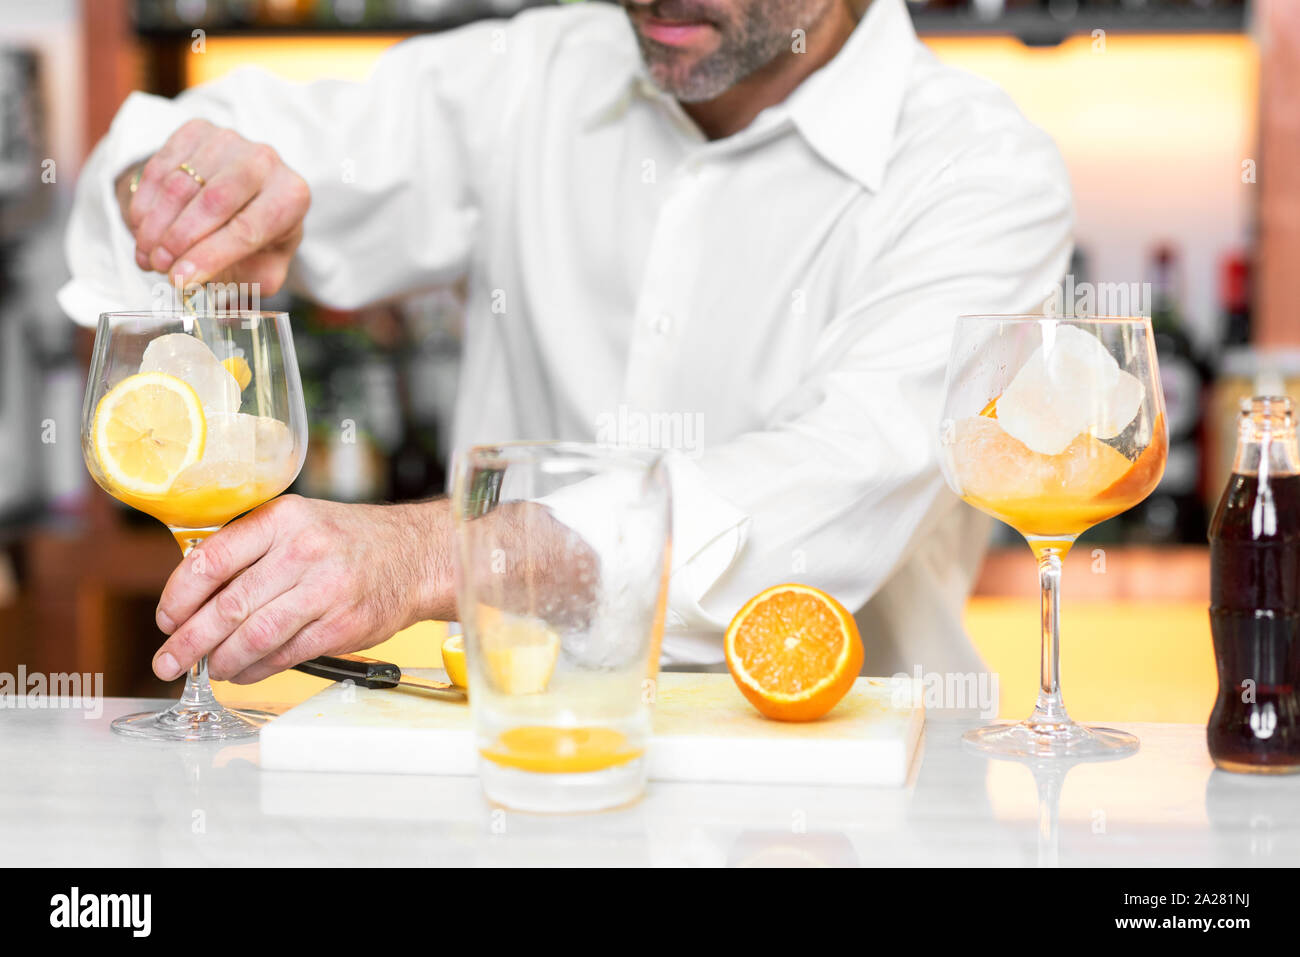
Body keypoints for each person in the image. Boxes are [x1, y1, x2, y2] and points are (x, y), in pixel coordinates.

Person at [61, 0, 1072, 686]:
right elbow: (195, 135)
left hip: (841, 800)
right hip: (510, 776)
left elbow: (817, 492)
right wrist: (193, 183)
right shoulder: (536, 67)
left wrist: (432, 557)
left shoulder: (981, 174)